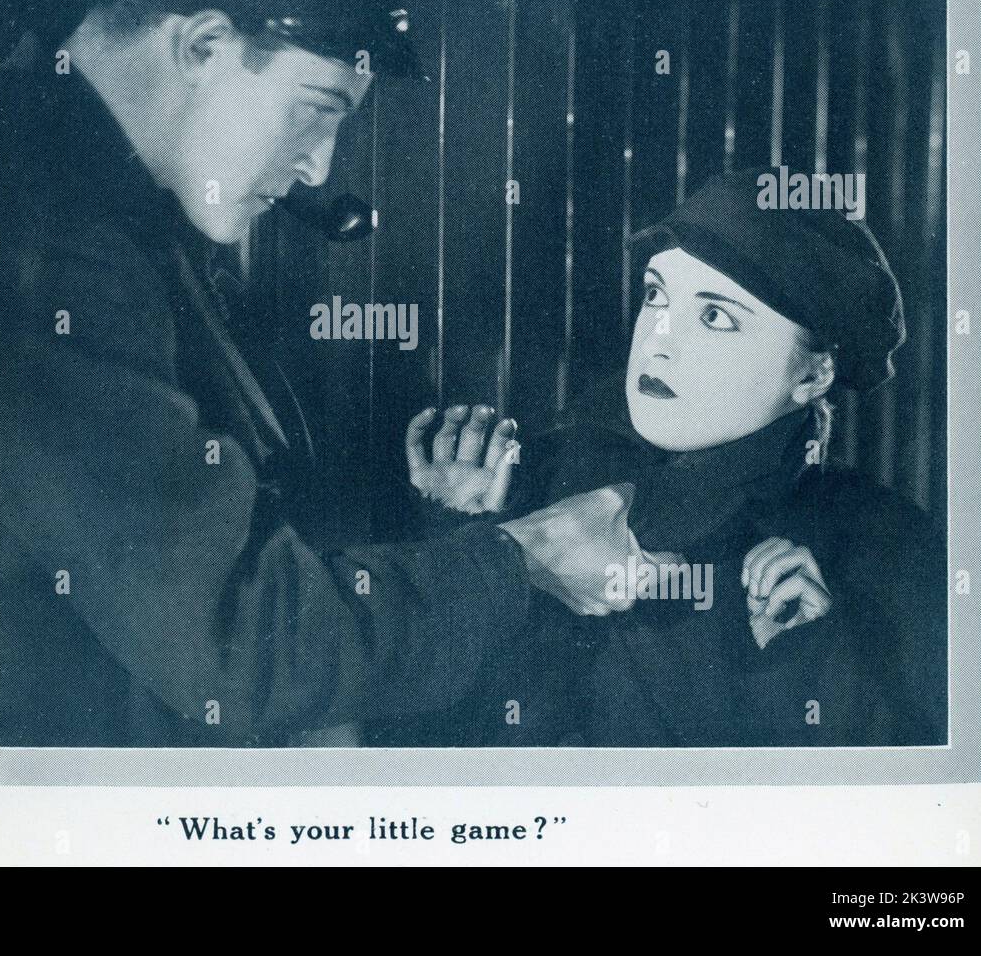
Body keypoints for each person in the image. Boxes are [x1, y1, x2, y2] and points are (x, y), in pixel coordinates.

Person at [0, 0, 650, 748]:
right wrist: (522, 560)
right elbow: (240, 649)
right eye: (317, 113)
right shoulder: (34, 230)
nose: (318, 169)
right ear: (201, 45)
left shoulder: (52, 167)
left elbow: (200, 549)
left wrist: (446, 530)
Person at [402, 167, 946, 747]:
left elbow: (905, 810)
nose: (659, 337)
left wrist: (807, 662)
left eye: (715, 316)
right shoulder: (526, 481)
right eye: (657, 294)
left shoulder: (880, 546)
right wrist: (461, 529)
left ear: (812, 375)